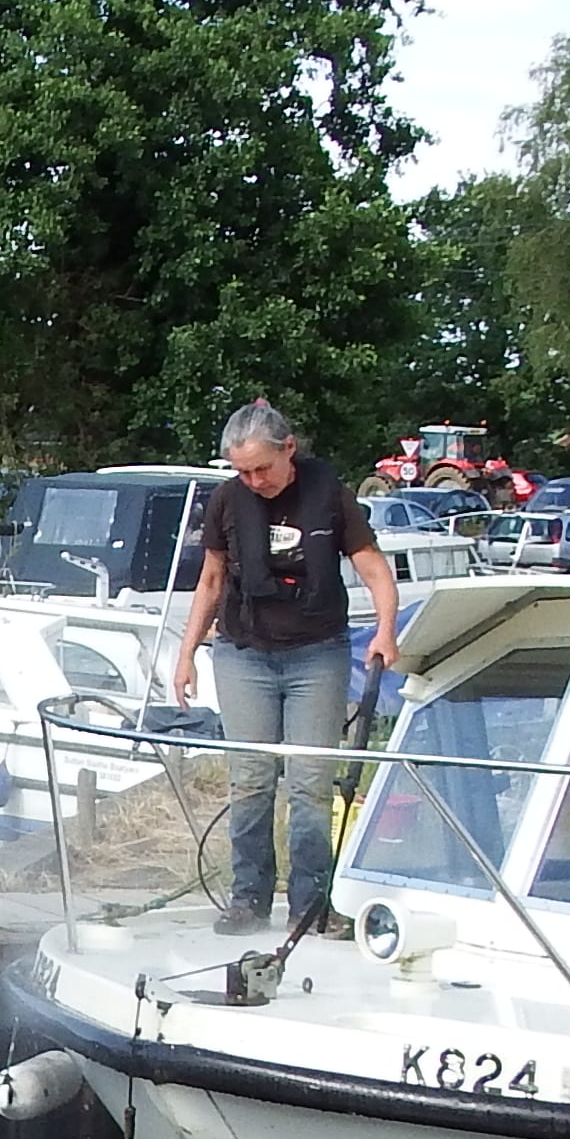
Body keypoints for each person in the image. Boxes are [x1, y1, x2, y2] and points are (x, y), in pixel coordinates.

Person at [165, 401, 404, 939]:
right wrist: (186, 656)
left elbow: (373, 570)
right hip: (244, 653)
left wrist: (386, 630)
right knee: (250, 781)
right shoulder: (228, 500)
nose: (254, 481)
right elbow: (209, 583)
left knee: (310, 784)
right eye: (242, 471)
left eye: (262, 469)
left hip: (316, 653)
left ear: (288, 449)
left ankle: (311, 904)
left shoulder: (329, 494)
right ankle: (248, 898)